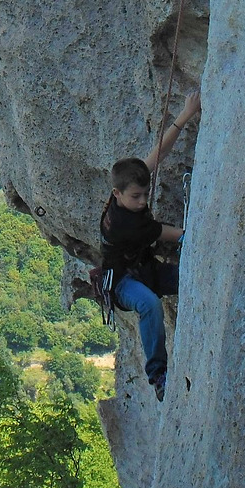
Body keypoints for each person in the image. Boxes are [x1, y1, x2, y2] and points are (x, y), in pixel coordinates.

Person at [101, 90, 200, 402]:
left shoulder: (124, 190)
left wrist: (185, 115)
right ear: (117, 194)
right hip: (122, 282)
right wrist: (195, 235)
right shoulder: (125, 224)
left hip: (146, 269)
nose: (143, 200)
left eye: (145, 194)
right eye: (136, 197)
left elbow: (155, 157)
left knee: (194, 279)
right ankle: (158, 373)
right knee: (149, 304)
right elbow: (169, 233)